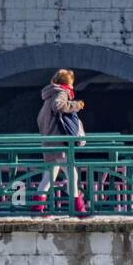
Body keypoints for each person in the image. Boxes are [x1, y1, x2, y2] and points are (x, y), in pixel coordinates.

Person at [35, 68, 87, 215]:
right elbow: (58, 106)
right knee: (72, 174)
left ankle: (37, 207)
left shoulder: (48, 97)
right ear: (67, 83)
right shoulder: (61, 93)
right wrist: (76, 105)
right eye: (71, 83)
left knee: (50, 176)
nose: (72, 87)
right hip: (58, 143)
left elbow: (41, 119)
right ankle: (78, 209)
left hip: (48, 142)